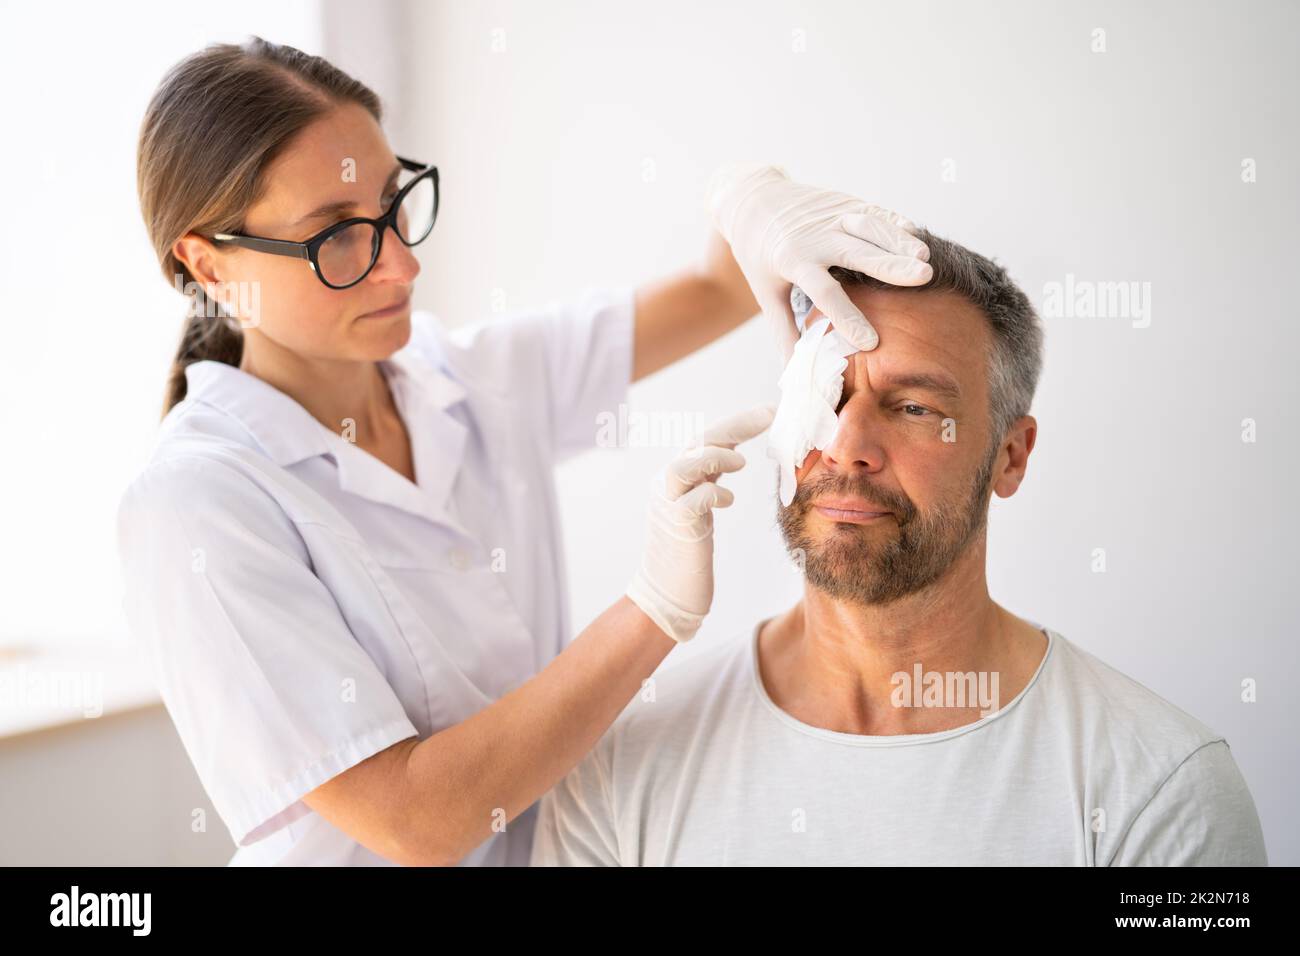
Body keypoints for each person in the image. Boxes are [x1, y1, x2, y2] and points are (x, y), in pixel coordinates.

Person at [116, 35, 931, 866]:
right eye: (337, 237)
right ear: (207, 263)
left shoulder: (463, 378)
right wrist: (653, 609)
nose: (400, 263)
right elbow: (417, 821)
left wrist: (749, 195)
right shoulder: (197, 502)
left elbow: (721, 286)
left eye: (396, 206)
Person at [530, 229, 1269, 866]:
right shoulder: (619, 768)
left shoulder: (1162, 787)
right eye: (824, 396)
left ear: (1011, 456)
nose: (847, 447)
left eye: (914, 408)